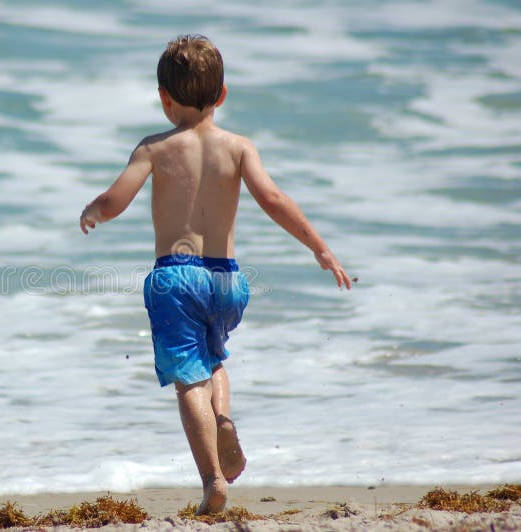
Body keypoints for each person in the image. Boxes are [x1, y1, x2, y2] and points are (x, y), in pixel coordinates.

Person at [79, 34, 351, 514]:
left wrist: (94, 211)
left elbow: (115, 200)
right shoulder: (240, 147)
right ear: (222, 95)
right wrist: (320, 248)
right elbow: (274, 200)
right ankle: (223, 417)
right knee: (214, 359)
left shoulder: (154, 148)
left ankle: (212, 483)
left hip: (175, 278)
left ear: (164, 99)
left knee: (188, 380)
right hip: (227, 281)